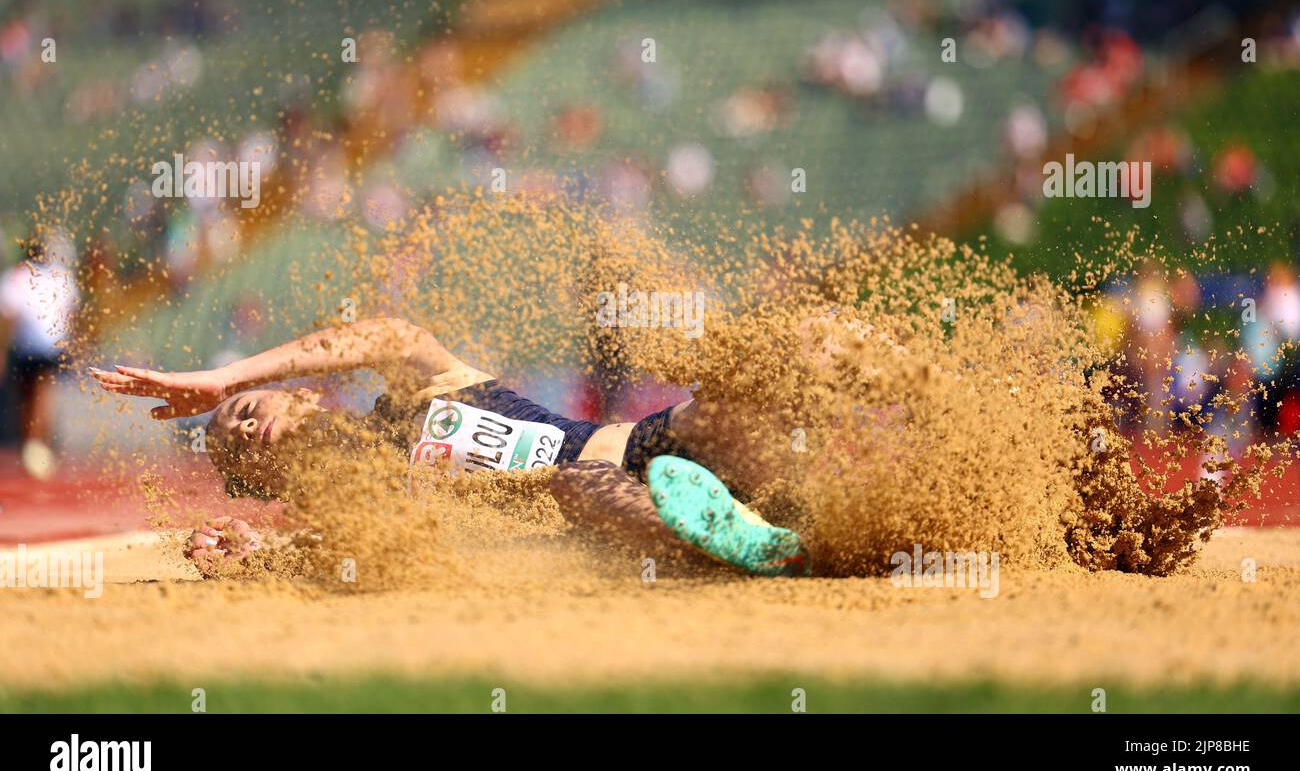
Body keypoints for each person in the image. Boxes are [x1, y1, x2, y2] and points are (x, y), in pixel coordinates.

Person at [91, 315, 820, 577]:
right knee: (567, 484)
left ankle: (909, 444)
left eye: (246, 413)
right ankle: (743, 546)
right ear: (262, 482)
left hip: (644, 442)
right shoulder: (350, 516)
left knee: (788, 357)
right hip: (603, 522)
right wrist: (251, 557)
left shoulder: (424, 389)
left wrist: (220, 380)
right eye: (238, 446)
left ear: (302, 391)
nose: (247, 429)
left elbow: (389, 335)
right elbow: (320, 558)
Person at [0, 234, 80, 480]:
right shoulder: (56, 276)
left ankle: (35, 444)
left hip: (32, 346)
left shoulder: (19, 276)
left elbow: (8, 318)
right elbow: (71, 316)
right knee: (34, 395)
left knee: (36, 394)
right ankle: (34, 445)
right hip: (42, 344)